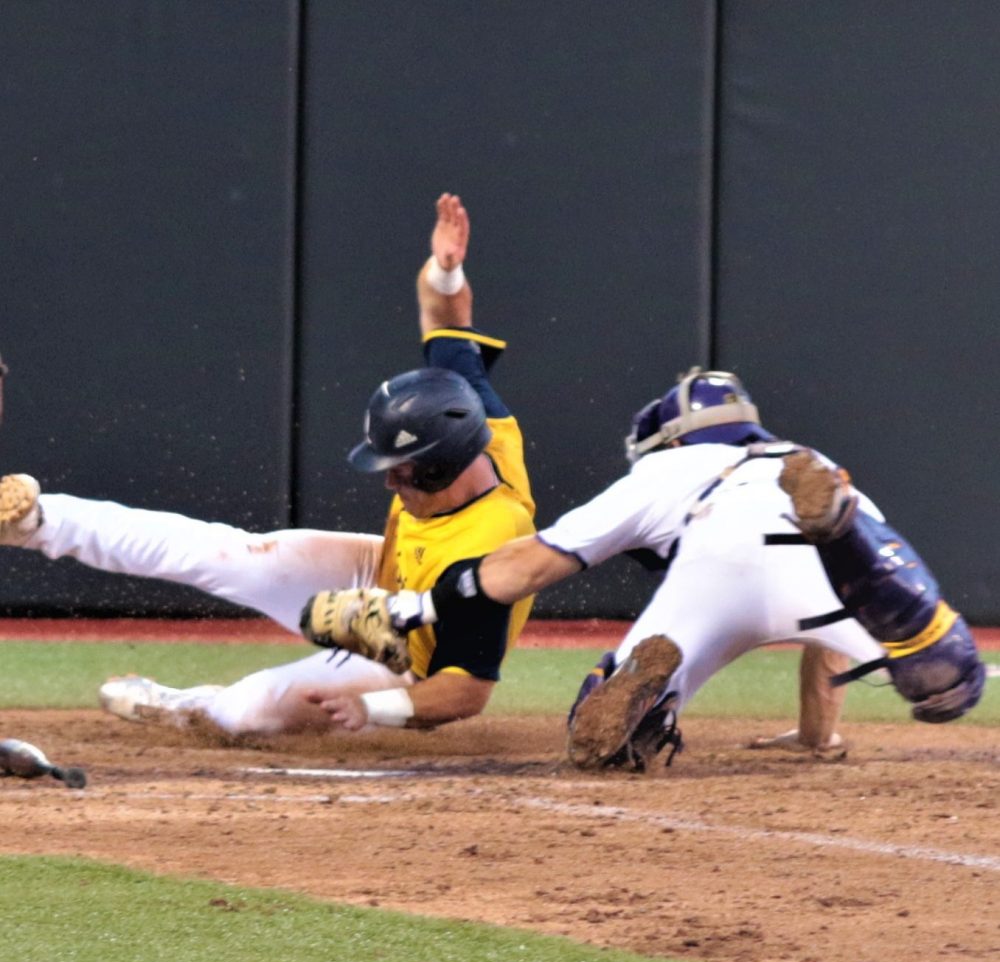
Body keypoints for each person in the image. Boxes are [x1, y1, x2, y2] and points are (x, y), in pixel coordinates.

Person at [0, 193, 536, 735]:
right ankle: (37, 520)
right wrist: (446, 270)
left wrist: (372, 708)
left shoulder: (492, 556)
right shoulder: (473, 414)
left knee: (253, 710)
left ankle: (196, 707)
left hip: (410, 667)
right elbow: (445, 315)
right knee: (231, 554)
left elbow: (466, 692)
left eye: (400, 469)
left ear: (443, 464)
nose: (389, 482)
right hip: (385, 574)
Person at [315, 368, 986, 769]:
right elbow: (820, 648)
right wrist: (816, 737)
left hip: (712, 564)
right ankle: (861, 560)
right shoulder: (805, 460)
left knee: (601, 742)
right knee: (946, 681)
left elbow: (529, 567)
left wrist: (421, 607)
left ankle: (646, 712)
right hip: (822, 558)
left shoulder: (665, 469)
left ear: (670, 437)